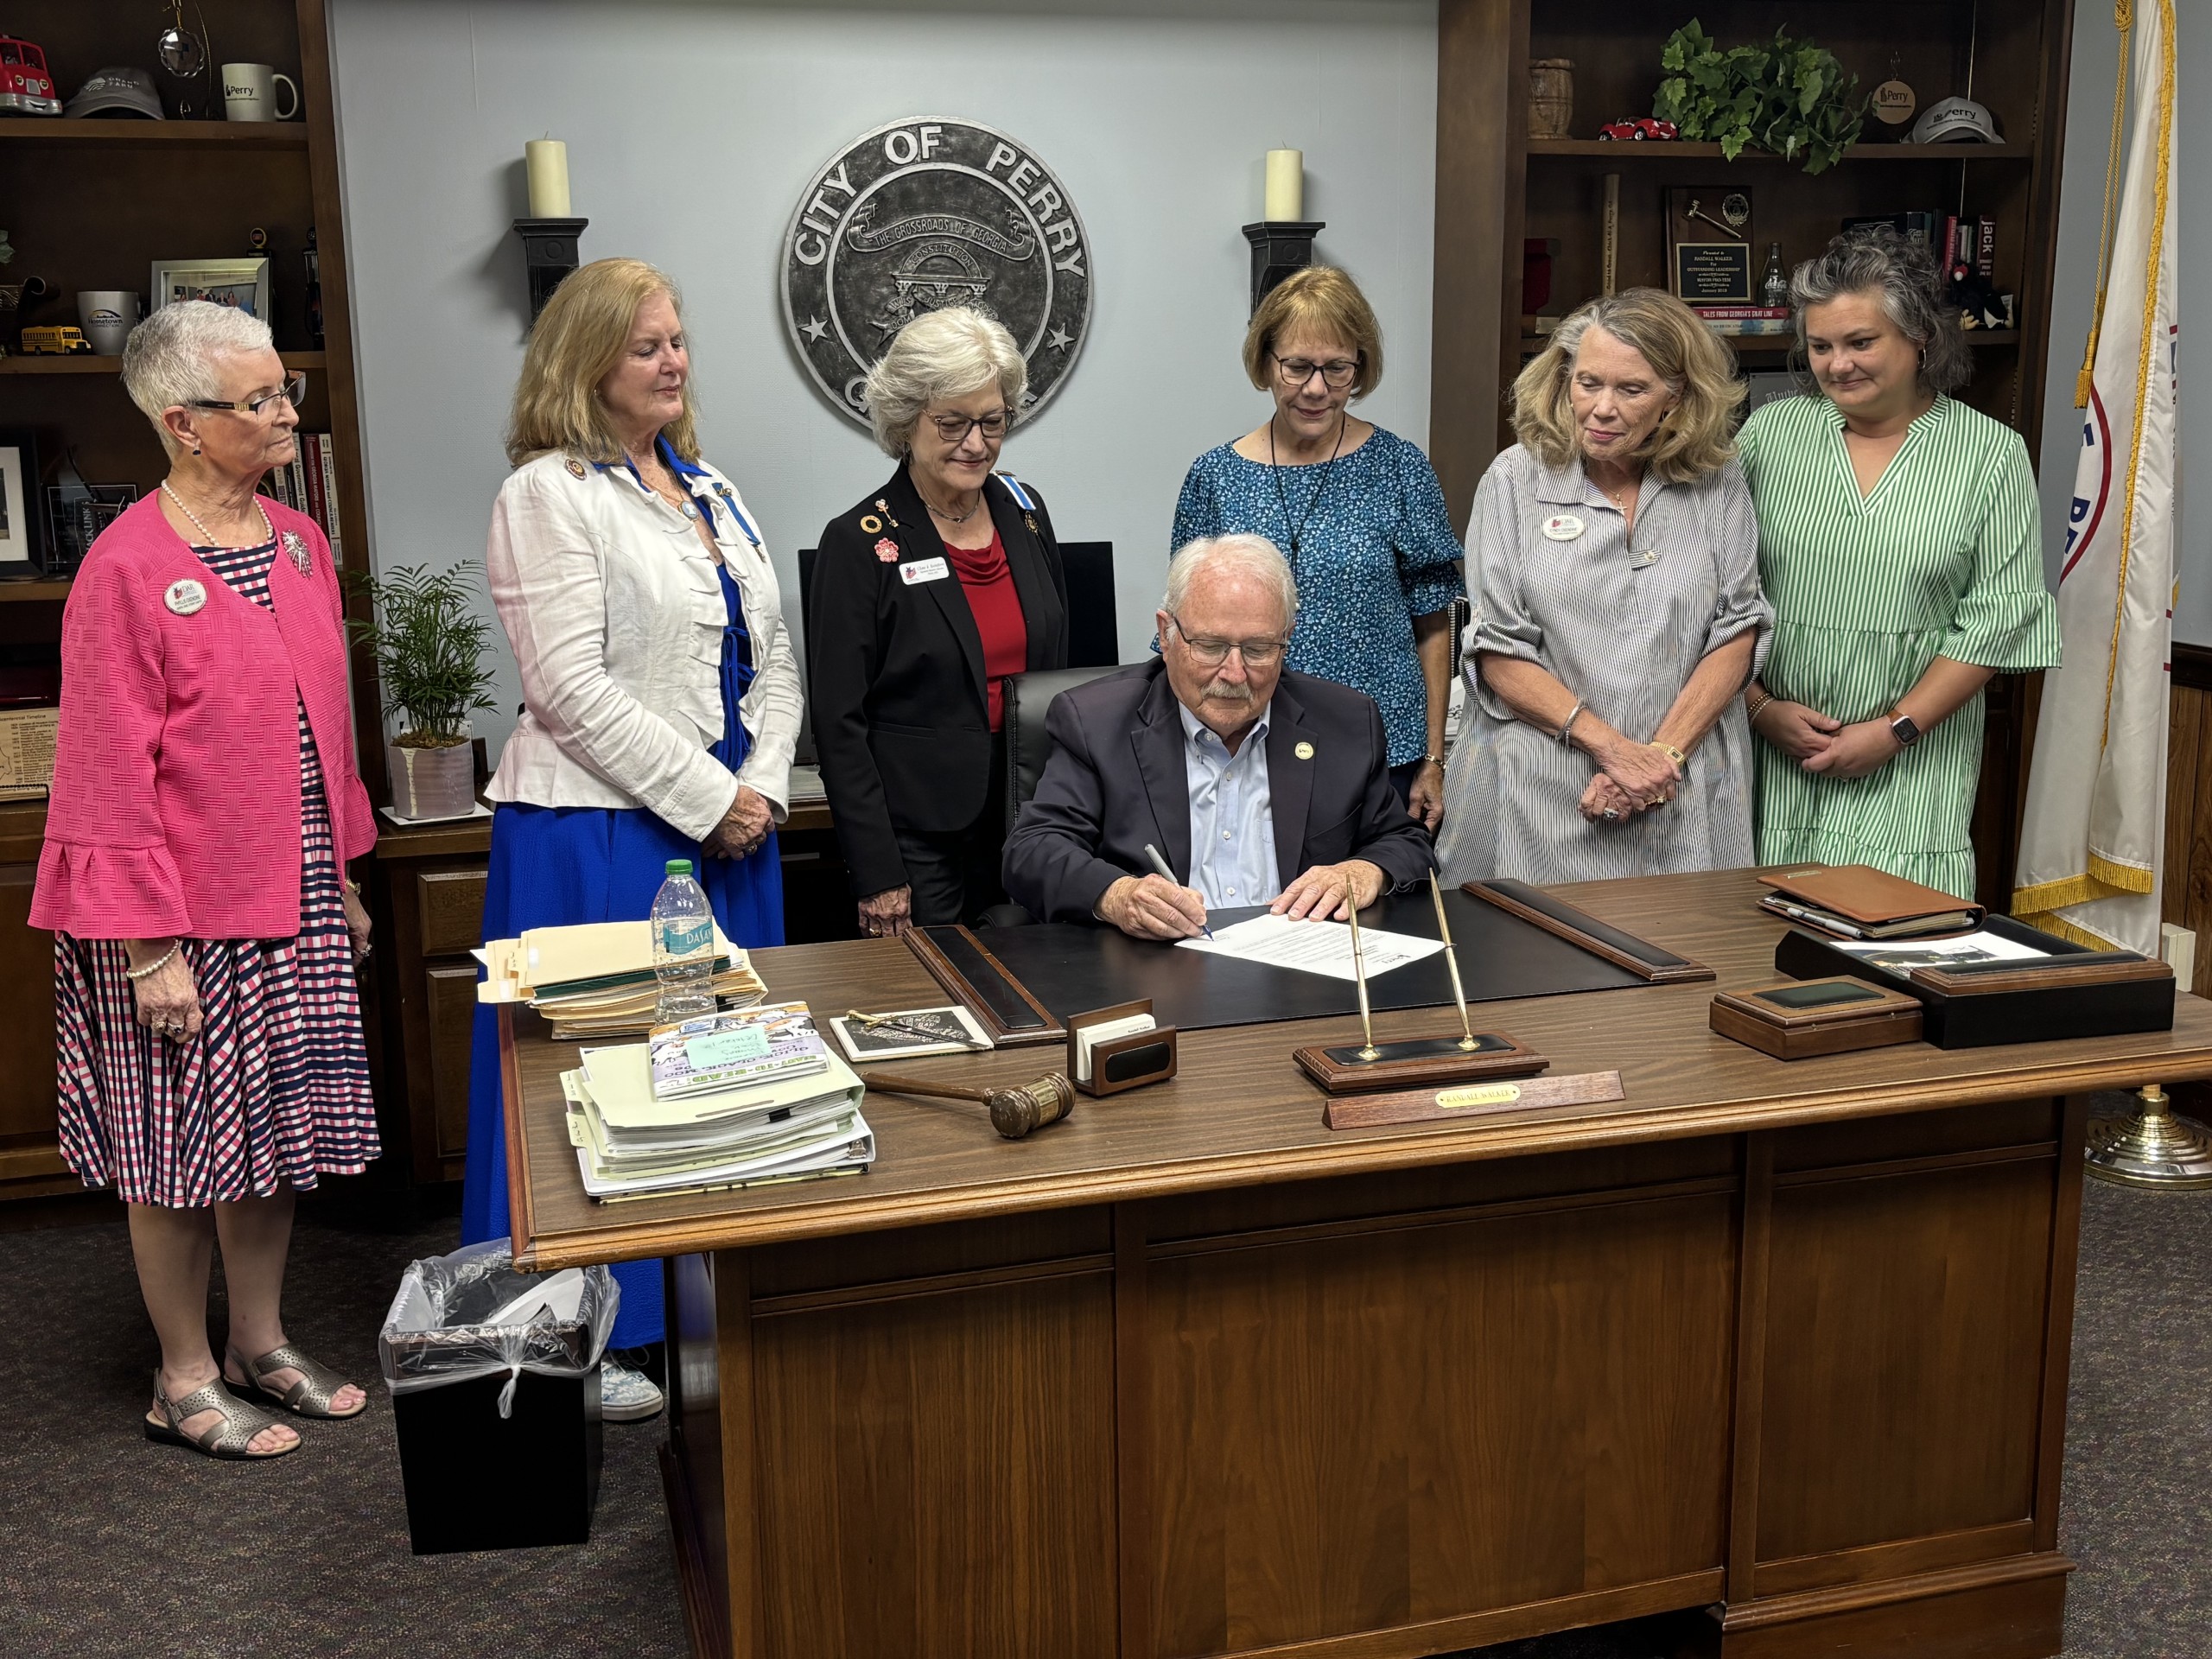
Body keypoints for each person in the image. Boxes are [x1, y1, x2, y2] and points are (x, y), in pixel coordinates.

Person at [31, 301, 377, 1459]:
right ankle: (180, 1376)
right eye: (263, 399)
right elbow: (100, 772)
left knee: (267, 1140)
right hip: (174, 924)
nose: (288, 412)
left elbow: (319, 728)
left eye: (286, 391)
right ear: (185, 424)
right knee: (174, 1153)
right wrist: (147, 948)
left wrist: (347, 879)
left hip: (292, 894)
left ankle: (258, 1345)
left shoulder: (296, 541)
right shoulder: (126, 568)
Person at [460, 258, 801, 1420]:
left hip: (728, 839)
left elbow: (777, 660)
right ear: (584, 361)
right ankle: (582, 1331)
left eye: (678, 339)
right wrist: (711, 797)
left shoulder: (711, 487)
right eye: (646, 344)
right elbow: (567, 689)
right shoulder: (547, 493)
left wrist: (756, 788)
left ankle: (698, 1313)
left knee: (720, 1084)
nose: (674, 360)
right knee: (593, 1087)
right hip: (599, 835)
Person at [1738, 227, 2059, 899]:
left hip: (1914, 757)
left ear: (1920, 339)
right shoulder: (1769, 435)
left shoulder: (1990, 454)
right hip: (1773, 754)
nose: (1837, 364)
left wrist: (1894, 729)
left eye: (1860, 342)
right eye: (1821, 346)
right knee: (1760, 947)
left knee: (1899, 946)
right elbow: (1713, 591)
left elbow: (1998, 621)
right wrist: (1759, 708)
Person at [1434, 288, 1770, 884]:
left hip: (1682, 778)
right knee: (1531, 963)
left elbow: (1737, 630)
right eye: (1587, 382)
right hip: (1540, 782)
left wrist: (1659, 759)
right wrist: (1614, 751)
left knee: (1691, 958)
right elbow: (1497, 651)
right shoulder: (1515, 480)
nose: (1601, 408)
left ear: (1679, 396)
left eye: (1631, 389)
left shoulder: (1717, 480)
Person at [1003, 534, 1431, 936]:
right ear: (1166, 635)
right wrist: (1118, 895)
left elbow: (1402, 840)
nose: (1233, 673)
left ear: (1287, 639)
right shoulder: (1096, 721)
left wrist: (1362, 871)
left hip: (1302, 966)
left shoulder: (1345, 722)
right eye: (1209, 646)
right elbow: (1034, 851)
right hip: (1159, 968)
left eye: (1259, 649)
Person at [1171, 267, 1462, 828]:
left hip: (1385, 756)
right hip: (1246, 747)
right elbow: (1185, 635)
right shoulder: (1214, 477)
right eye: (1298, 366)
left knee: (1382, 907)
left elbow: (1434, 625)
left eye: (1337, 368)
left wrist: (1433, 758)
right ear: (1265, 363)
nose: (1316, 388)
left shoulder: (1400, 468)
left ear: (1360, 368)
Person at [810, 307, 1069, 933]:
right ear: (906, 420)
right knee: (940, 999)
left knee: (1044, 987)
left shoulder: (1027, 511)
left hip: (1031, 811)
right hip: (918, 833)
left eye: (992, 421)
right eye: (952, 423)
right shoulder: (859, 542)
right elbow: (839, 725)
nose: (976, 444)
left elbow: (1062, 671)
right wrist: (877, 871)